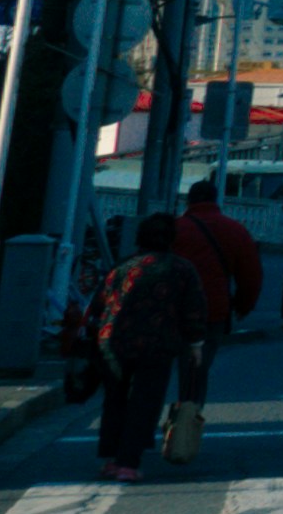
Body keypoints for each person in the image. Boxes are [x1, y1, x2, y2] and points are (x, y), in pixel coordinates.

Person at [89, 217, 214, 483]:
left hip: (113, 343)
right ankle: (128, 463)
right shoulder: (181, 268)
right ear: (171, 238)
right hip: (157, 345)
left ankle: (112, 459)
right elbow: (194, 310)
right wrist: (195, 344)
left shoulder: (124, 266)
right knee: (144, 402)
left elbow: (100, 303)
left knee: (115, 399)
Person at [164, 179, 265, 470]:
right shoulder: (235, 230)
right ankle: (187, 425)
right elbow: (251, 274)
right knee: (197, 370)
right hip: (213, 311)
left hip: (172, 311)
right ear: (216, 199)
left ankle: (151, 428)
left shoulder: (176, 228)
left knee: (160, 370)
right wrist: (242, 307)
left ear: (189, 200)